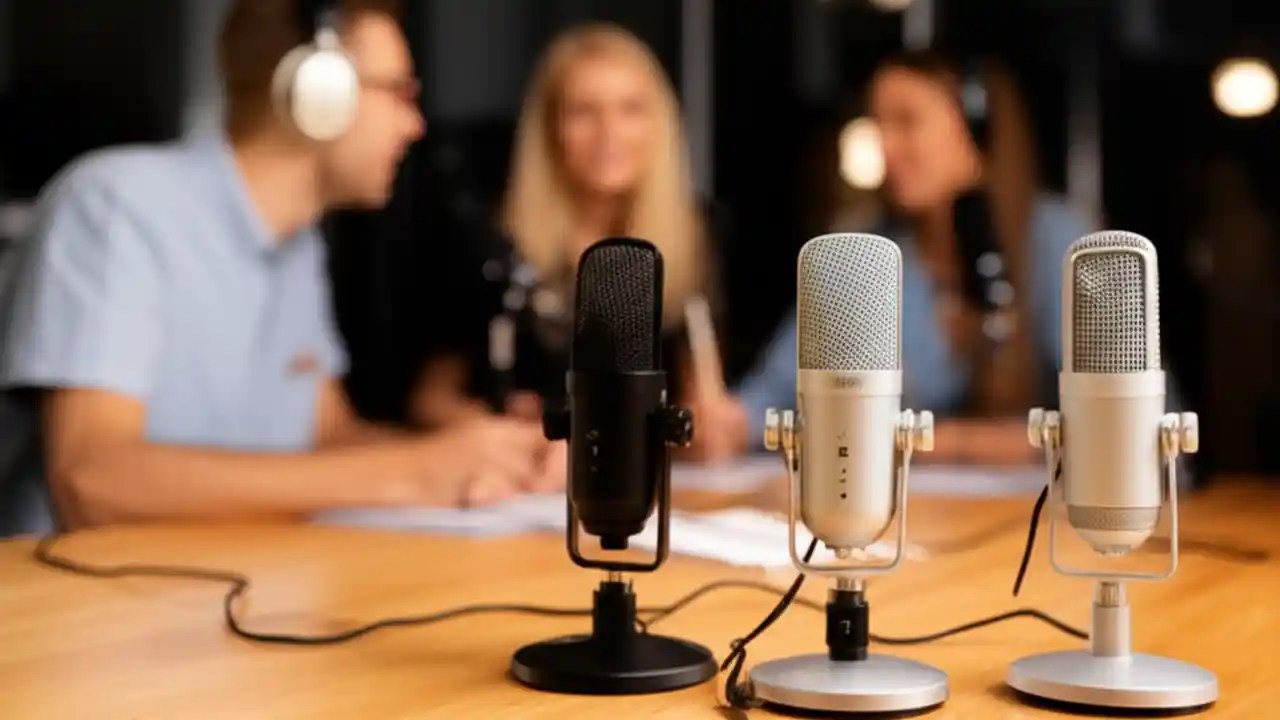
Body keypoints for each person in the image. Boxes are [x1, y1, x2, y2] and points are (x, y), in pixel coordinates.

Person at [0, 0, 557, 532]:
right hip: (77, 610)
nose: (415, 126)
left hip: (222, 592)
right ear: (320, 93)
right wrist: (413, 472)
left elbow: (327, 438)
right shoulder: (116, 205)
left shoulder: (296, 244)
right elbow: (91, 480)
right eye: (398, 92)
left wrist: (489, 456)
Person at [687, 50, 1089, 465]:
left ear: (977, 130)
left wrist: (939, 441)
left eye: (907, 122)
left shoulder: (1059, 244)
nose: (885, 147)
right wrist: (729, 422)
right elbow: (776, 395)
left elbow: (1112, 427)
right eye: (877, 125)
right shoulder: (858, 253)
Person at [408, 24, 737, 436]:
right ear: (549, 129)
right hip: (525, 482)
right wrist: (492, 430)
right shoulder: (491, 244)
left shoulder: (696, 234)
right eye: (584, 111)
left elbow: (705, 390)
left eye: (631, 109)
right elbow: (430, 399)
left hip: (651, 478)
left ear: (660, 124)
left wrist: (716, 426)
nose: (609, 132)